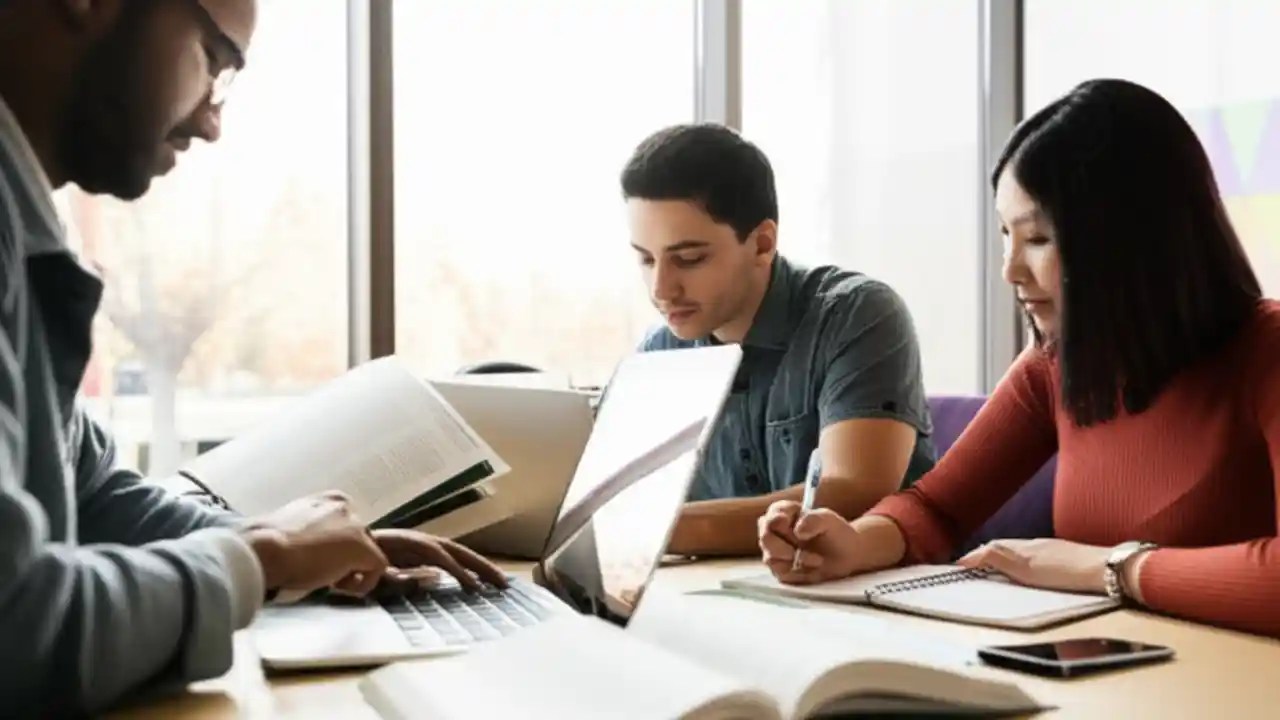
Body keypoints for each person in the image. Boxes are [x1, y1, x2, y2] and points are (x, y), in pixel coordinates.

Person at [0, 1, 504, 715]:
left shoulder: (23, 220)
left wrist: (293, 549)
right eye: (214, 58)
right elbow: (16, 627)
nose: (211, 121)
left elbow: (91, 496)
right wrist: (263, 560)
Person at [759, 78, 1280, 639]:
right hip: (1108, 670)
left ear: (1129, 238)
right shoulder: (1054, 365)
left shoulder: (1266, 351)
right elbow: (937, 507)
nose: (1009, 270)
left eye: (1037, 239)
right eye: (1005, 234)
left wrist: (1109, 568)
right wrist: (854, 543)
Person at [621, 123, 935, 557]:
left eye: (689, 259)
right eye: (645, 259)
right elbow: (620, 493)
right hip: (719, 588)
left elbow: (854, 491)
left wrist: (645, 528)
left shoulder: (856, 315)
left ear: (762, 243)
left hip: (872, 589)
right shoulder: (658, 354)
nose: (661, 288)